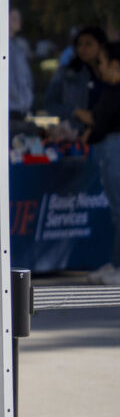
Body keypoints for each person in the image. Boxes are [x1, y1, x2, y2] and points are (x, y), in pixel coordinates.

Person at [82, 43, 120, 286]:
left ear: (116, 65)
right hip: (108, 149)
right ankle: (116, 262)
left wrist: (91, 131)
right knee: (116, 211)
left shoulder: (116, 94)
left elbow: (101, 122)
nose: (100, 68)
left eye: (103, 62)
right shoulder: (111, 91)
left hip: (114, 149)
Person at [46, 26, 108, 123]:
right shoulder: (67, 74)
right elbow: (49, 104)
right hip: (75, 132)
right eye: (79, 44)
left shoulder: (110, 74)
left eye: (88, 44)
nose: (83, 49)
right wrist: (75, 111)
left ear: (101, 46)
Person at [7, 8, 34, 121]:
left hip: (21, 105)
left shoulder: (19, 46)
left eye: (18, 18)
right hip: (11, 105)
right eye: (14, 18)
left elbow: (25, 76)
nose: (18, 21)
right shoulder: (2, 47)